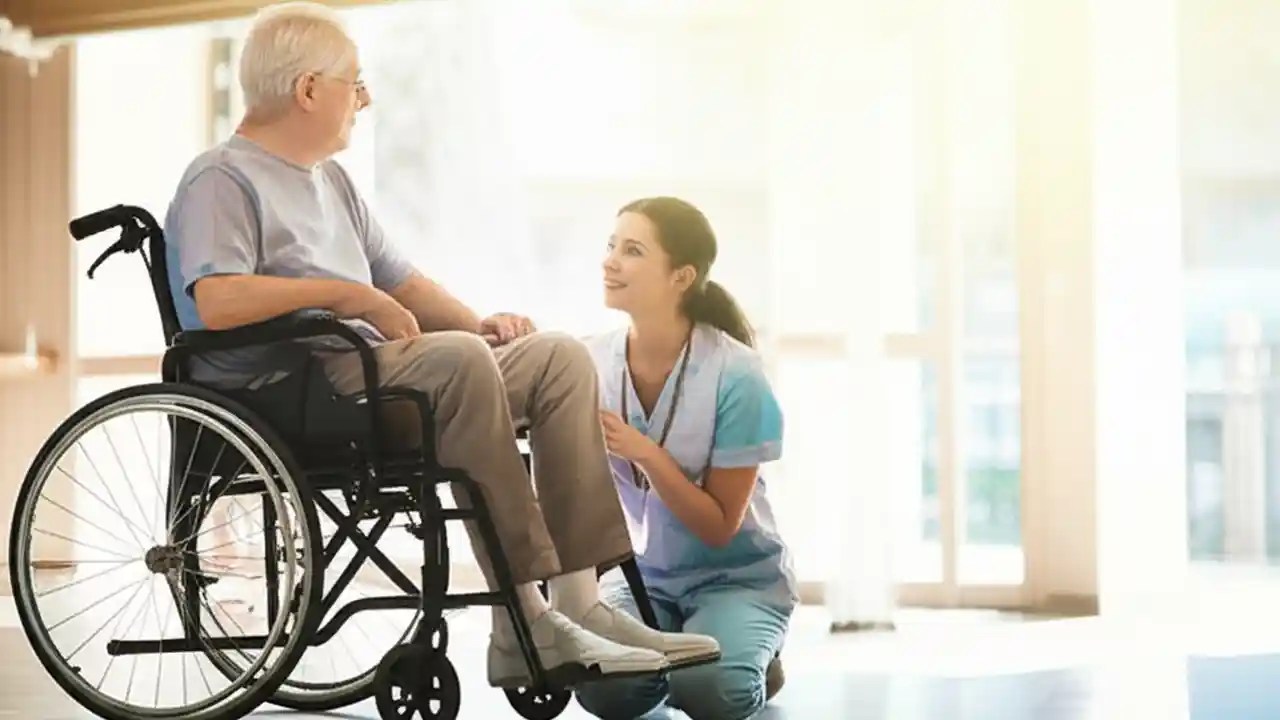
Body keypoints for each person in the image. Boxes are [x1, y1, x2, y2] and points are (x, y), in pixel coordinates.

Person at [161, 1, 717, 689]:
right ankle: (525, 621)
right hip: (293, 396)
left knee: (558, 358)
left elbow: (407, 283)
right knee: (458, 360)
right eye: (353, 84)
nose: (363, 100)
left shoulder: (330, 181)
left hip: (371, 377)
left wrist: (480, 324)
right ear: (308, 90)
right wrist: (350, 297)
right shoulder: (222, 177)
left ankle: (581, 605)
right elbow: (218, 300)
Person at [576, 197, 797, 720]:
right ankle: (682, 649)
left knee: (713, 693)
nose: (610, 261)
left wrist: (647, 454)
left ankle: (748, 655)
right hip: (644, 576)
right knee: (603, 692)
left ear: (681, 276)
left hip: (737, 576)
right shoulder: (588, 361)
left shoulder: (737, 374)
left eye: (631, 250)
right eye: (610, 246)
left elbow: (721, 526)